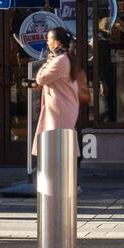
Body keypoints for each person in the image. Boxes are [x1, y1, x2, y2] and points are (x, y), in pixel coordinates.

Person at [33, 26, 83, 157]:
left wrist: (47, 61)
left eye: (48, 39)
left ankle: (57, 176)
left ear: (57, 43)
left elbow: (41, 78)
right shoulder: (66, 58)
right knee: (57, 145)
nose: (47, 43)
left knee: (56, 147)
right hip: (63, 107)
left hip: (59, 110)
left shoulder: (59, 60)